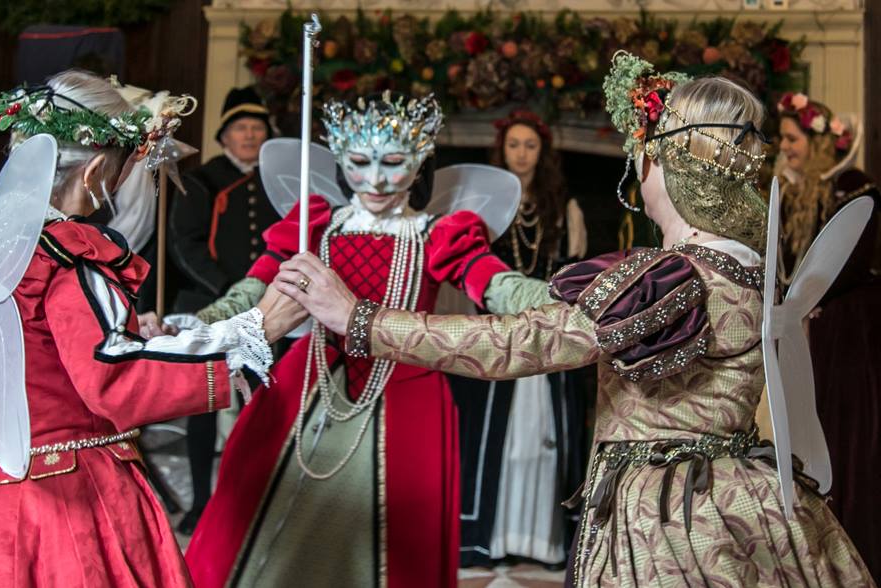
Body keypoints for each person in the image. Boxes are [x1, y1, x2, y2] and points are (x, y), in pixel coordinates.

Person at [274, 54, 875, 587]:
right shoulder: (748, 268)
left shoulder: (672, 276)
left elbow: (517, 344)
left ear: (656, 166)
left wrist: (358, 317)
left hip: (669, 517)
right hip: (743, 495)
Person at [0, 70, 304, 587]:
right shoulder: (69, 254)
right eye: (118, 173)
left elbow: (46, 356)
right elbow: (114, 378)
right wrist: (256, 329)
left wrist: (142, 334)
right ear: (91, 173)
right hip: (66, 503)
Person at [183, 92, 543, 587]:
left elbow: (496, 285)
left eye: (393, 163)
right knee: (264, 506)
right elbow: (255, 287)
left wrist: (564, 299)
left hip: (405, 391)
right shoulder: (313, 225)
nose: (375, 180)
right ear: (341, 161)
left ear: (418, 165)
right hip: (308, 384)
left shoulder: (440, 232)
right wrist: (199, 324)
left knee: (397, 532)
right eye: (358, 162)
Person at [452, 109, 588, 568]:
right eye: (514, 145)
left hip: (548, 333)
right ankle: (489, 536)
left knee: (545, 437)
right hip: (498, 334)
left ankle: (544, 541)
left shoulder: (562, 206)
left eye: (530, 145)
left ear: (542, 152)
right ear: (501, 150)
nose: (522, 153)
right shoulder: (483, 208)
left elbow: (570, 272)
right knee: (497, 438)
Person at [166, 86, 280, 534]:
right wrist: (231, 290)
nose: (249, 135)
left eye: (257, 127)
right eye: (240, 128)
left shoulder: (279, 179)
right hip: (209, 304)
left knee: (260, 403)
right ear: (224, 136)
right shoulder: (200, 179)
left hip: (266, 311)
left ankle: (253, 500)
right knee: (204, 405)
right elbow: (185, 245)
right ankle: (199, 501)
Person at [776, 92, 881, 579]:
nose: (785, 146)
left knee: (841, 431)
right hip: (807, 328)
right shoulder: (791, 191)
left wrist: (811, 303)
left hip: (845, 333)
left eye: (792, 138)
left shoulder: (853, 189)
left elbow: (850, 262)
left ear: (817, 142)